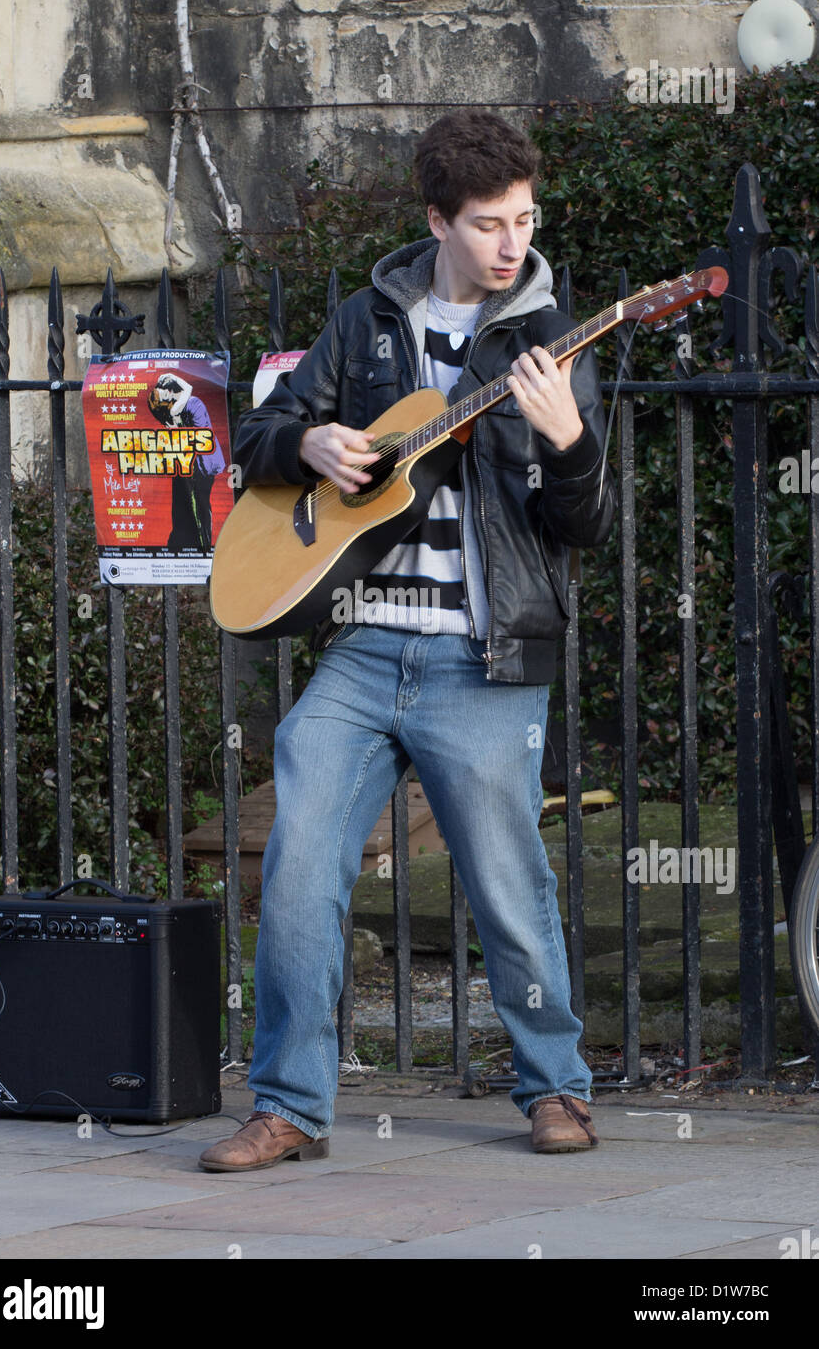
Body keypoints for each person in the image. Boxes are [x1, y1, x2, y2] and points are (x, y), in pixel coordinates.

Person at [200, 109, 616, 1173]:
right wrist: (305, 440)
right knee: (296, 869)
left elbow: (587, 524)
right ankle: (287, 1104)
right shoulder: (367, 323)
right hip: (362, 647)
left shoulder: (547, 340)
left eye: (523, 221)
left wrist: (565, 445)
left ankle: (556, 1089)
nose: (511, 244)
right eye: (486, 224)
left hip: (484, 655)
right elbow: (250, 441)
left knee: (506, 884)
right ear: (437, 220)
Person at [147, 372, 225, 553]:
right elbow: (188, 389)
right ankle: (199, 545)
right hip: (191, 462)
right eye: (161, 391)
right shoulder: (178, 407)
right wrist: (172, 377)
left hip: (202, 463)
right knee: (191, 506)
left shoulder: (186, 405)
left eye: (164, 390)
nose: (163, 392)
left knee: (200, 506)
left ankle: (203, 544)